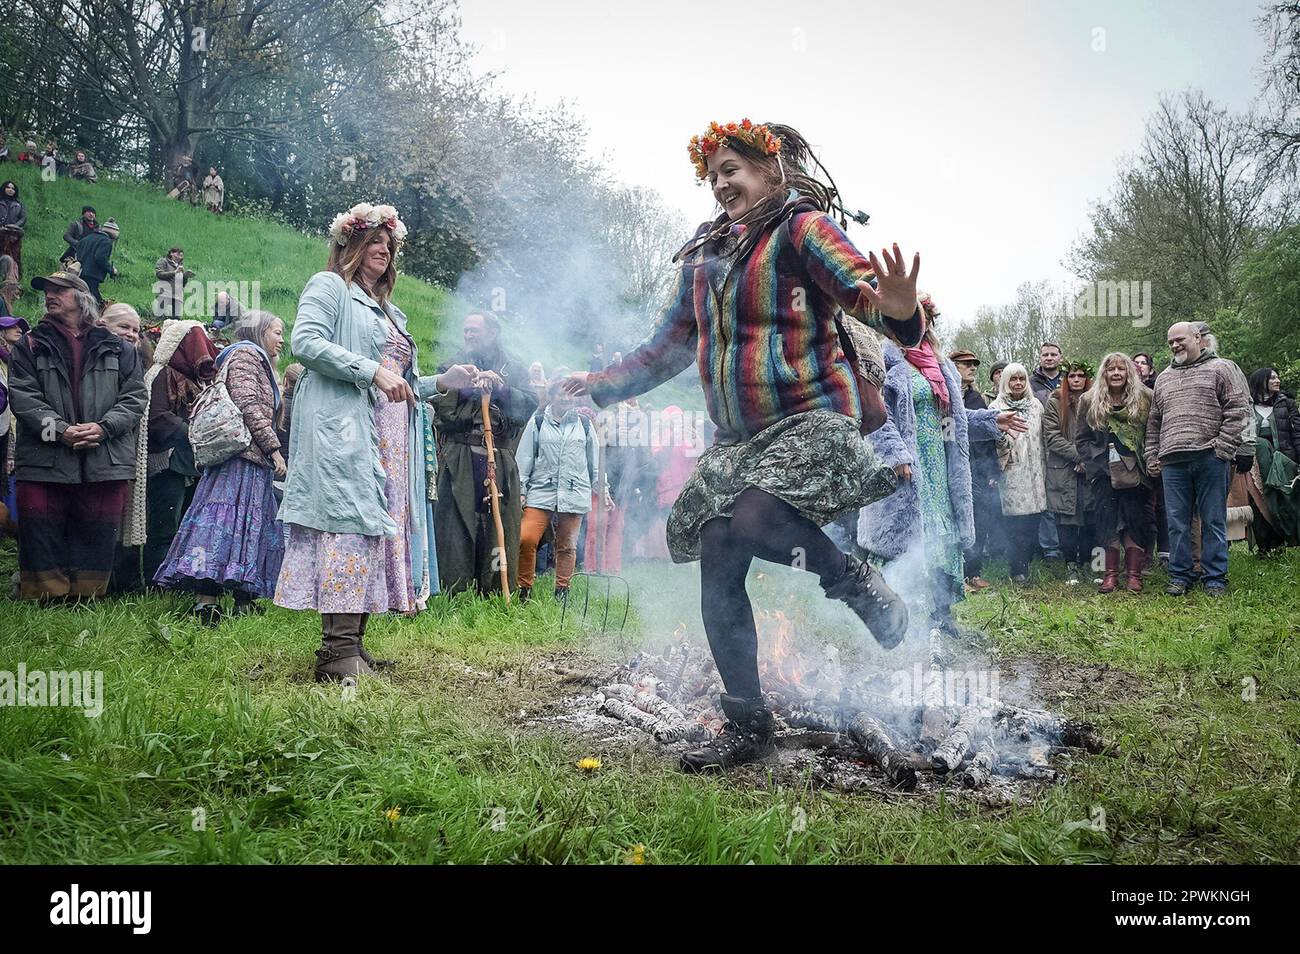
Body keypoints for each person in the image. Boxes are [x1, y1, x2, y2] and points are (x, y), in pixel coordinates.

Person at [561, 119, 927, 773]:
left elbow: (860, 289)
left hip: (813, 421)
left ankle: (856, 583)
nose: (722, 182)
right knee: (719, 549)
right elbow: (667, 347)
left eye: (733, 168)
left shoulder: (801, 229)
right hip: (740, 441)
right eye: (714, 175)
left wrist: (898, 309)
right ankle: (747, 724)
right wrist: (602, 385)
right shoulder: (704, 258)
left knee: (757, 518)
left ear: (770, 169)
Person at [275, 203, 463, 680]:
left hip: (389, 437)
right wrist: (371, 371)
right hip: (346, 431)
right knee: (348, 531)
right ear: (350, 245)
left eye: (389, 243)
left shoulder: (388, 309)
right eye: (375, 241)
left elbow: (400, 382)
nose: (384, 250)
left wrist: (441, 381)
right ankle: (335, 654)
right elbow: (307, 344)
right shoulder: (330, 287)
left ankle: (354, 647)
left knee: (372, 534)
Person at [859, 313, 1022, 634]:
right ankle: (894, 620)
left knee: (942, 539)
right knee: (905, 539)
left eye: (925, 321)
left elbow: (954, 420)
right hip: (906, 468)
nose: (921, 327)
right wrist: (895, 455)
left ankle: (942, 615)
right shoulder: (884, 360)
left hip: (940, 469)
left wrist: (991, 420)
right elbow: (876, 416)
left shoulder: (940, 365)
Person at [7, 271, 146, 600]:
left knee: (97, 530)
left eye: (60, 290)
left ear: (82, 299)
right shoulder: (30, 345)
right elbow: (23, 398)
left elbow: (134, 397)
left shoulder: (118, 348)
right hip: (45, 459)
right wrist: (60, 430)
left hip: (103, 457)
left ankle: (86, 599)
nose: (50, 295)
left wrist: (104, 427)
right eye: (47, 291)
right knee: (41, 529)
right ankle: (46, 600)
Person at [155, 311, 286, 623]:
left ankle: (242, 599)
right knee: (223, 525)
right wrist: (274, 448)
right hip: (239, 458)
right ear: (259, 332)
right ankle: (206, 602)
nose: (282, 340)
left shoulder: (253, 360)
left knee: (246, 527)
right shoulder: (245, 355)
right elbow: (247, 404)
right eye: (277, 332)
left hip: (251, 460)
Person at [430, 311, 537, 596]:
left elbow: (529, 404)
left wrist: (500, 390)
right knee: (456, 524)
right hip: (460, 457)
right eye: (466, 331)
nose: (468, 336)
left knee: (497, 525)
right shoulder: (453, 365)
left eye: (474, 331)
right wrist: (465, 389)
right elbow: (439, 407)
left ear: (493, 333)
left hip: (498, 458)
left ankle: (494, 590)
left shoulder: (513, 369)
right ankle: (455, 589)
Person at [1144, 322, 1250, 596]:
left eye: (1180, 340)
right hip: (1172, 462)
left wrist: (1223, 450)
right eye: (1170, 342)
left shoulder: (1222, 368)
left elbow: (1238, 409)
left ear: (1198, 338)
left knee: (1213, 520)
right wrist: (1152, 455)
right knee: (1176, 523)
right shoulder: (1164, 378)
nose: (1175, 345)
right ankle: (1180, 576)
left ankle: (1215, 579)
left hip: (1210, 458)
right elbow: (1154, 422)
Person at [119, 317, 219, 590]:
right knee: (164, 527)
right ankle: (157, 583)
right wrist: (195, 430)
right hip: (167, 464)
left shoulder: (195, 381)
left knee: (184, 525)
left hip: (189, 464)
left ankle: (178, 581)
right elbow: (157, 418)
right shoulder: (160, 374)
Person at [515, 379, 604, 602]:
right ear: (552, 396)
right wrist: (521, 489)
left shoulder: (584, 424)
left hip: (574, 491)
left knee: (567, 545)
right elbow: (525, 458)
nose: (565, 398)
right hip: (541, 491)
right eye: (561, 394)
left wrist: (604, 491)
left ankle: (562, 592)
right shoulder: (537, 422)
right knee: (526, 538)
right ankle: (524, 590)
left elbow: (594, 463)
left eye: (570, 394)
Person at [1078, 353, 1154, 593]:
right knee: (1106, 522)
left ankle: (1134, 575)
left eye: (1121, 369)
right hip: (1103, 472)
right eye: (1111, 369)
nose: (1116, 373)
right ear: (1104, 373)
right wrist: (1096, 459)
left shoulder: (1145, 398)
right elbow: (1081, 439)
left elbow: (1153, 432)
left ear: (1129, 372)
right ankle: (1110, 574)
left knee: (1135, 522)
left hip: (1136, 473)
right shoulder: (1089, 400)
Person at [990, 363, 1047, 584]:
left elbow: (1042, 437)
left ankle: (1027, 562)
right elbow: (994, 442)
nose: (1018, 384)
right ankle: (1017, 568)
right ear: (1005, 382)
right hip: (1012, 471)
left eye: (1022, 379)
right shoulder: (997, 407)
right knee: (1015, 523)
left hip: (1035, 470)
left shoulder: (1035, 406)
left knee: (1034, 520)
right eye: (1013, 380)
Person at [951, 349, 1002, 588]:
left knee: (979, 521)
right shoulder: (943, 396)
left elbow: (989, 440)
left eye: (974, 364)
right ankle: (953, 575)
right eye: (966, 364)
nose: (972, 368)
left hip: (978, 471)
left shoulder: (976, 400)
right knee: (951, 522)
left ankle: (973, 573)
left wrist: (993, 471)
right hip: (950, 468)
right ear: (953, 366)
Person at [1042, 359, 1095, 581]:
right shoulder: (1054, 402)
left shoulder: (1094, 400)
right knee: (1067, 519)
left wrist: (1088, 459)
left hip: (1090, 468)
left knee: (1091, 516)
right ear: (1066, 379)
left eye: (1080, 376)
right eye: (1072, 376)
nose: (1076, 380)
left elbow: (1100, 433)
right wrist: (1077, 455)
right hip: (1063, 468)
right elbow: (1051, 437)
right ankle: (1070, 563)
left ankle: (1088, 561)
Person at [1245, 367, 1300, 551]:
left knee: (1285, 500)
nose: (1278, 381)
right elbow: (1243, 434)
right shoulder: (1248, 406)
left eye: (1278, 377)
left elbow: (1297, 433)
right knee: (1260, 502)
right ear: (1261, 382)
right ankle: (1265, 546)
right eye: (1272, 378)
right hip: (1257, 463)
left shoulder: (1287, 403)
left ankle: (1288, 541)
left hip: (1284, 459)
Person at [75, 218, 120, 303]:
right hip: (91, 275)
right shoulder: (106, 241)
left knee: (83, 299)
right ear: (114, 235)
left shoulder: (87, 238)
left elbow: (78, 250)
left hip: (79, 273)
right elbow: (100, 258)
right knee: (95, 301)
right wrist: (112, 270)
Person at [154, 247, 194, 319]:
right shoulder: (163, 261)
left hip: (178, 296)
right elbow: (159, 274)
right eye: (178, 254)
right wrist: (175, 272)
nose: (179, 257)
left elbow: (182, 285)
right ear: (171, 253)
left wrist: (185, 277)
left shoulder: (180, 266)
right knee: (159, 316)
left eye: (181, 255)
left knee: (177, 319)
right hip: (164, 293)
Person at [0, 181, 26, 278]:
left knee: (14, 256)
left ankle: (13, 279)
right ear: (4, 188)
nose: (10, 190)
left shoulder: (19, 204)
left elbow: (23, 218)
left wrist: (14, 226)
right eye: (8, 187)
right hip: (1, 232)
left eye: (13, 188)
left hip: (13, 234)